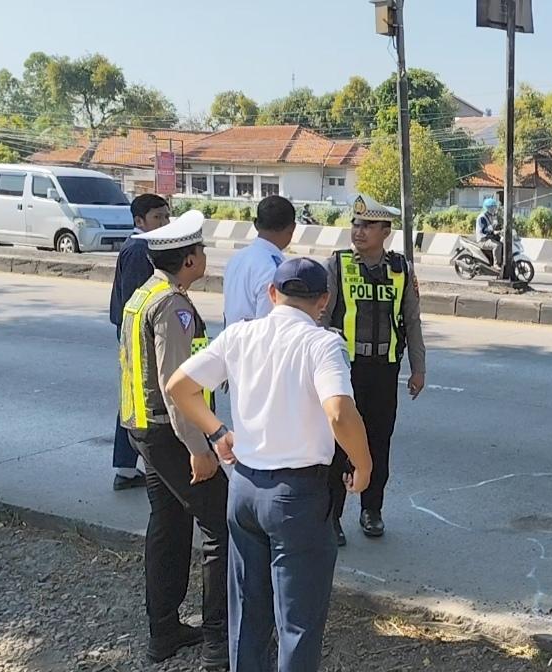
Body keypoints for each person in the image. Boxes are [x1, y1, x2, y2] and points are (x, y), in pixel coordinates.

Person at [167, 257, 374, 672]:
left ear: (272, 294)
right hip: (297, 495)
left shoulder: (240, 335)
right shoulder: (322, 343)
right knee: (297, 621)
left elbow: (179, 387)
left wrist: (217, 430)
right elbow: (338, 411)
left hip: (243, 488)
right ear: (323, 301)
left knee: (247, 611)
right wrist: (364, 464)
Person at [117, 210, 229, 670]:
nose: (204, 256)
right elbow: (174, 383)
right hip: (171, 434)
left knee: (168, 525)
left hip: (144, 428)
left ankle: (163, 631)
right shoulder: (174, 307)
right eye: (200, 250)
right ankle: (218, 646)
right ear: (187, 260)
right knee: (221, 528)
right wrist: (199, 448)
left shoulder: (146, 295)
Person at [321, 194, 426, 544]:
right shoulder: (336, 265)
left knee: (378, 442)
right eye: (355, 224)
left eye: (367, 226)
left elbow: (412, 320)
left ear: (386, 232)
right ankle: (331, 517)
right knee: (338, 445)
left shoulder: (401, 269)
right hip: (344, 370)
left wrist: (418, 368)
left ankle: (372, 510)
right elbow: (322, 318)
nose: (358, 231)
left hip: (384, 369)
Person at [108, 193, 171, 490]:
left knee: (136, 397)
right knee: (139, 398)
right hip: (135, 334)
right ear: (139, 221)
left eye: (166, 216)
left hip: (135, 332)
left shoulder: (145, 245)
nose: (164, 222)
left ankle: (127, 466)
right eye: (157, 217)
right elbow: (137, 300)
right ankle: (127, 467)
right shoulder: (138, 249)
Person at [223, 195, 296, 326]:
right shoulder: (275, 269)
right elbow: (267, 327)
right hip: (255, 344)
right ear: (292, 229)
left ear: (256, 224)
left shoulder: (236, 258)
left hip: (231, 341)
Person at [475, 196, 502, 268]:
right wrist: (494, 232)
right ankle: (496, 264)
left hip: (488, 238)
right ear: (487, 208)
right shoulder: (482, 217)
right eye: (491, 207)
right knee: (497, 245)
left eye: (494, 207)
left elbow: (494, 226)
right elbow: (484, 230)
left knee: (502, 242)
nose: (493, 209)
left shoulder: (490, 216)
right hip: (483, 240)